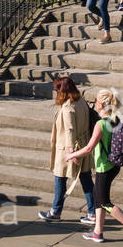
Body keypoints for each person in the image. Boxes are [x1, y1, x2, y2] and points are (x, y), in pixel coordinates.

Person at [66, 89, 123, 246]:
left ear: (101, 104)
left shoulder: (101, 124)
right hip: (113, 165)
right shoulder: (115, 120)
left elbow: (88, 148)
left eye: (95, 101)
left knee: (105, 202)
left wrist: (72, 155)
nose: (94, 104)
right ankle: (97, 232)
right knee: (98, 197)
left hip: (104, 168)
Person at [38, 76, 96, 225]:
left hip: (67, 148)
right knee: (86, 180)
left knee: (59, 178)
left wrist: (70, 153)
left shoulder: (68, 108)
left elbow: (70, 130)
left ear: (62, 91)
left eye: (57, 90)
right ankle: (93, 212)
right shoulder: (81, 101)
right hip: (83, 144)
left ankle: (56, 211)